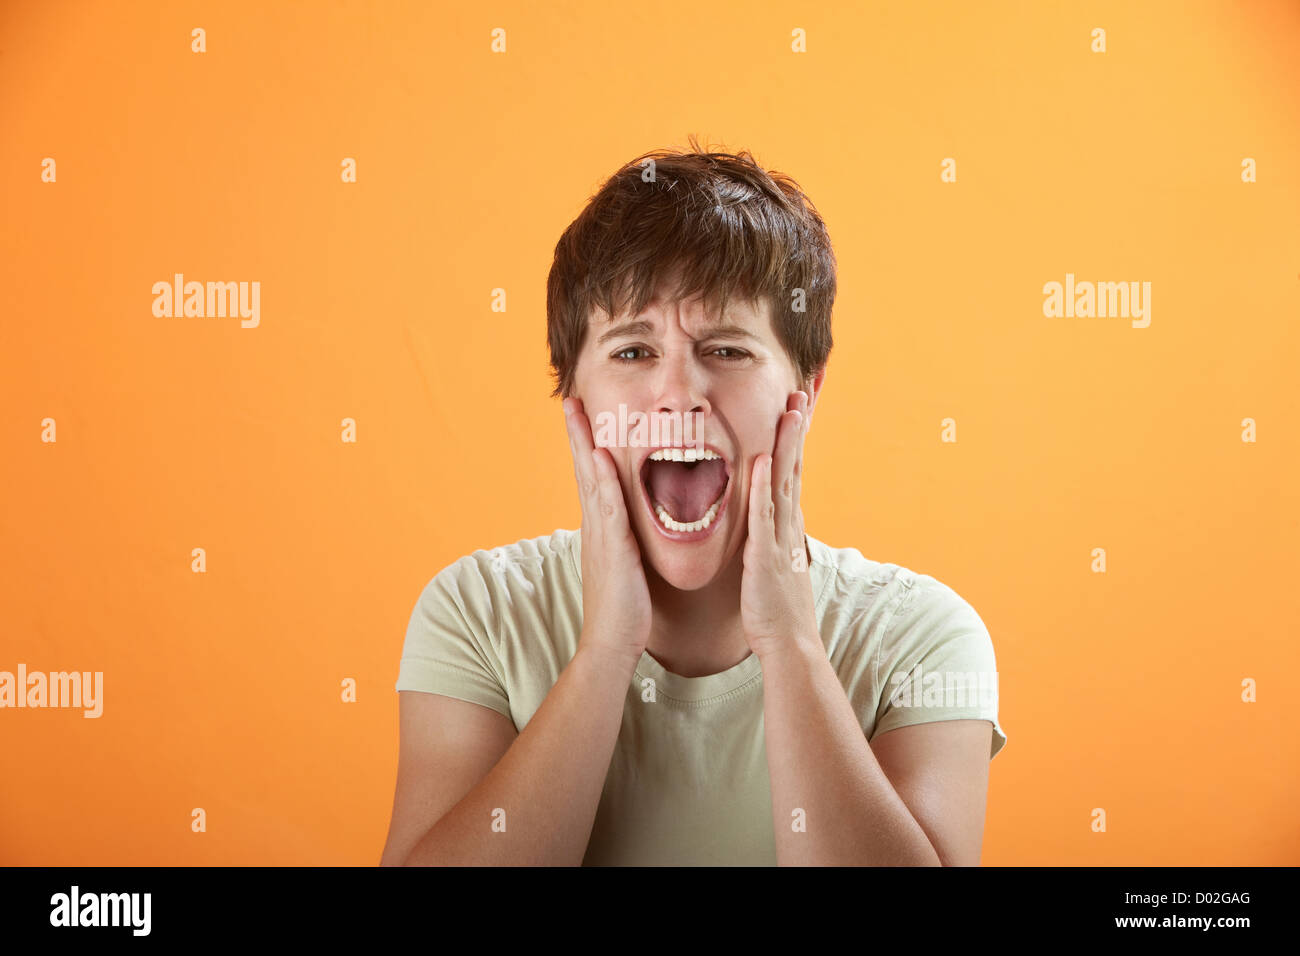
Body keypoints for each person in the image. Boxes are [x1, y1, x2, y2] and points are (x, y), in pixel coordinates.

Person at [380, 138, 1006, 866]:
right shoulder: (477, 614)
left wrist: (792, 644)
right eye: (632, 351)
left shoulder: (923, 636)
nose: (678, 395)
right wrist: (606, 650)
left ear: (806, 391)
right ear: (574, 394)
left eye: (728, 350)